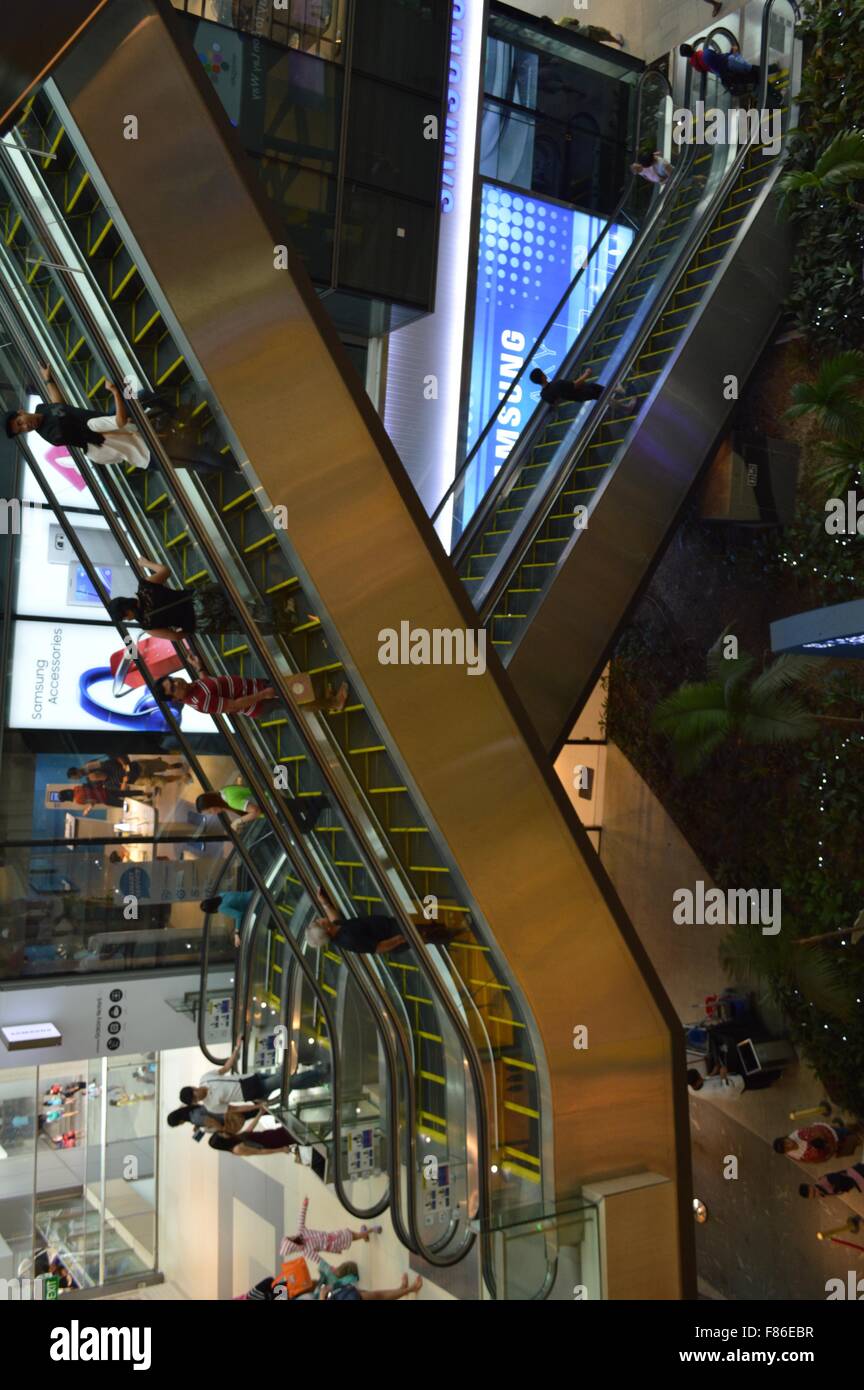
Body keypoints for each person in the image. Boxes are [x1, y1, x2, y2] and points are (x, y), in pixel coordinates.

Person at [107, 555, 294, 641]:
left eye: (124, 617)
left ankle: (283, 629)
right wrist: (146, 563)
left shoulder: (147, 625)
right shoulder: (146, 588)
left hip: (201, 623)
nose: (128, 619)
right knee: (245, 609)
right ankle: (284, 615)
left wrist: (189, 627)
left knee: (241, 628)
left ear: (126, 610)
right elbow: (165, 571)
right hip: (200, 602)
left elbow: (175, 636)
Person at [306, 885, 464, 957]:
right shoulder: (348, 940)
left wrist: (324, 902)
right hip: (393, 936)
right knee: (427, 935)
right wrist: (399, 939)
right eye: (319, 922)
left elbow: (336, 919)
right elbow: (378, 948)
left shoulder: (335, 930)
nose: (320, 919)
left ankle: (451, 929)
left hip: (391, 927)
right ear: (325, 929)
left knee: (424, 930)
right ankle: (457, 931)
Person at [157, 657, 278, 721]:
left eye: (172, 680)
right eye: (173, 688)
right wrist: (262, 695)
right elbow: (235, 706)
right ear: (174, 699)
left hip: (258, 687)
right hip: (261, 701)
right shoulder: (200, 701)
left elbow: (207, 685)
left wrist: (199, 668)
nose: (177, 683)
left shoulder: (191, 688)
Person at [279, 1197, 382, 1266]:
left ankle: (363, 1235)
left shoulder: (301, 1232)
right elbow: (319, 1260)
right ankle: (372, 1230)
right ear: (293, 1244)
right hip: (333, 1243)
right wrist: (329, 1268)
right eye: (290, 1238)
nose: (292, 1236)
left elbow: (301, 1217)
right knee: (350, 1236)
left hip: (332, 1236)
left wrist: (304, 1205)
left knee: (350, 1235)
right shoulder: (307, 1251)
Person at [529, 366, 636, 412]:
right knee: (604, 396)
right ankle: (626, 408)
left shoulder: (544, 394)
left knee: (602, 393)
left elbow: (555, 403)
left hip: (577, 397)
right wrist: (586, 374)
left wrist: (565, 395)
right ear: (542, 376)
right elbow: (575, 385)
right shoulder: (556, 384)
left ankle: (620, 391)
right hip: (582, 391)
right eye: (543, 373)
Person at [318, 1260, 423, 1302]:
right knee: (378, 1296)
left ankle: (402, 1290)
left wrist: (324, 1294)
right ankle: (411, 1289)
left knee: (371, 1294)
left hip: (339, 1295)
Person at [680, 41, 763, 93]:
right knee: (752, 69)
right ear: (691, 47)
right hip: (729, 63)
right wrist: (732, 52)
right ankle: (772, 69)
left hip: (724, 74)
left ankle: (761, 82)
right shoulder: (705, 54)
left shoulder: (695, 64)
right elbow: (721, 59)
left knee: (750, 76)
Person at [773, 1122, 863, 1164]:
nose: (789, 1144)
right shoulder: (796, 1156)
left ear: (785, 1138)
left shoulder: (800, 1134)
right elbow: (812, 1160)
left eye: (786, 1141)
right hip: (829, 1149)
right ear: (786, 1151)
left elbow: (818, 1132)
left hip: (830, 1135)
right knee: (850, 1142)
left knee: (845, 1132)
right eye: (787, 1147)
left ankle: (856, 1129)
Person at [687, 1061, 779, 1096]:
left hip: (732, 1079)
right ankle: (776, 1076)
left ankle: (770, 1077)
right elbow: (728, 1090)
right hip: (737, 1086)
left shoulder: (691, 1088)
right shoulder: (710, 1091)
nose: (702, 1077)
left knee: (754, 1077)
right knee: (755, 1081)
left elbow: (705, 1080)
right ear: (696, 1084)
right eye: (700, 1078)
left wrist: (713, 1073)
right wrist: (723, 1076)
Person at [54, 784, 153, 815]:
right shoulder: (76, 788)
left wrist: (87, 810)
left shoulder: (78, 800)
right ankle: (145, 793)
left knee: (124, 804)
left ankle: (146, 803)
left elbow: (93, 801)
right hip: (105, 791)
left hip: (105, 799)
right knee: (125, 793)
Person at [196, 788, 263, 829]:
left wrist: (238, 821)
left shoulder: (231, 800)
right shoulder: (225, 794)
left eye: (210, 811)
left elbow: (256, 811)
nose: (213, 814)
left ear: (212, 803)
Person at [799, 1162, 864, 1199]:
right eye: (814, 1196)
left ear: (811, 1185)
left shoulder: (823, 1181)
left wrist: (836, 1189)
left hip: (858, 1174)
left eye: (814, 1191)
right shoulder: (821, 1191)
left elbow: (836, 1177)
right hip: (855, 1180)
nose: (816, 1193)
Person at [554, 17, 625, 48]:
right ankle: (619, 42)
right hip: (586, 31)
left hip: (584, 41)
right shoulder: (563, 20)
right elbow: (576, 21)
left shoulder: (557, 33)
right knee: (604, 34)